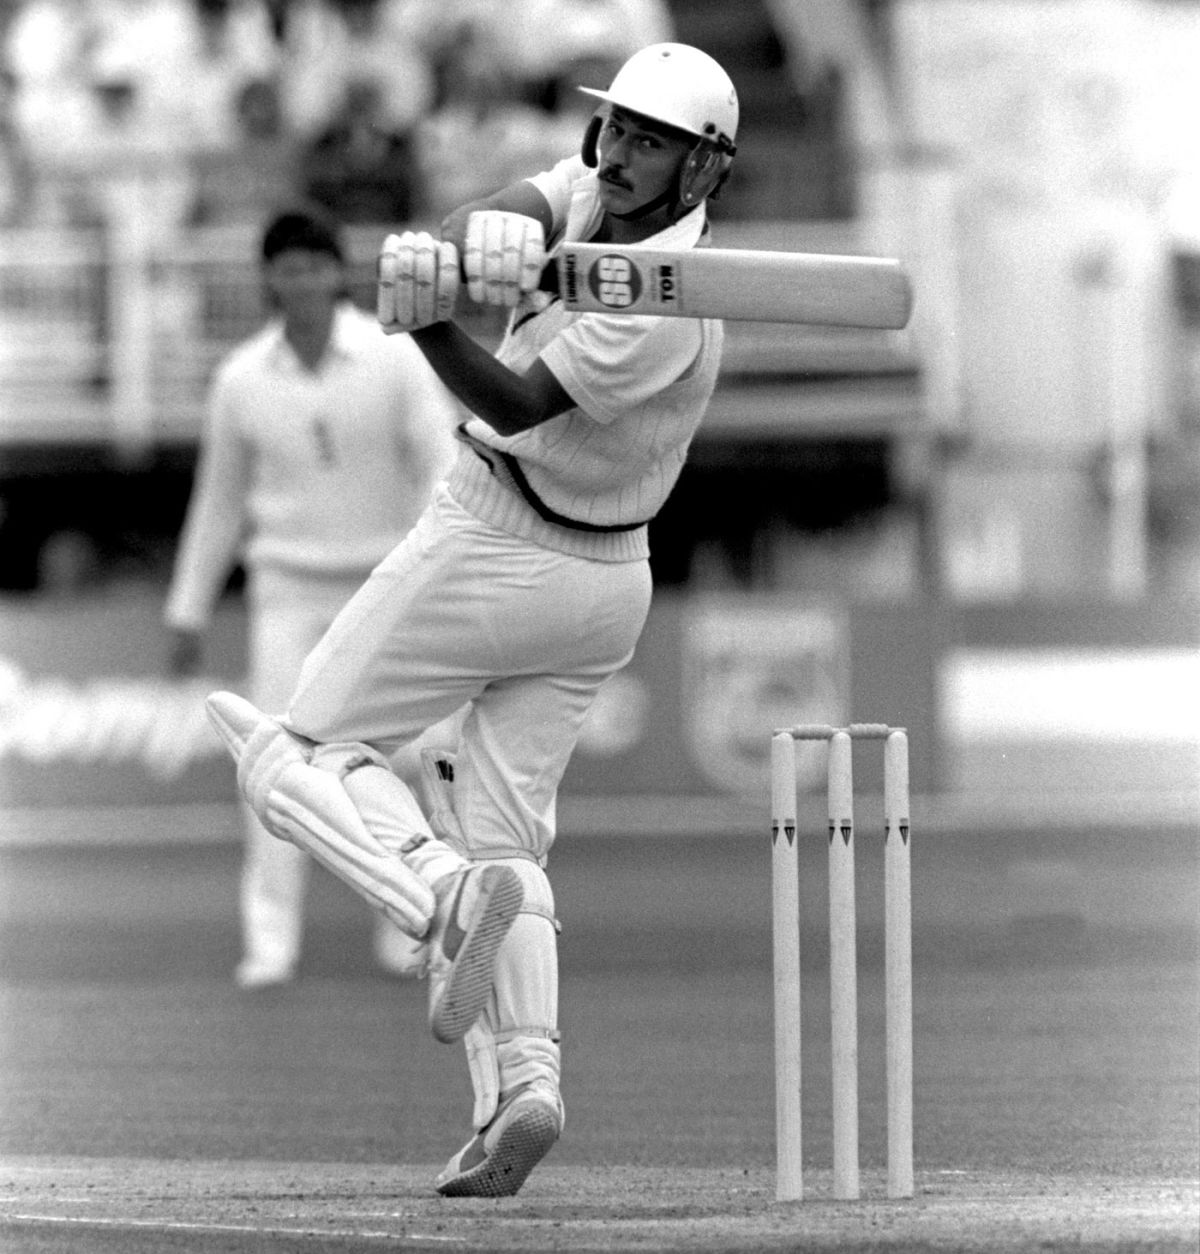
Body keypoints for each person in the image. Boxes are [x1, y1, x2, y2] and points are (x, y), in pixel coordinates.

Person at [205, 42, 738, 1194]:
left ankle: (433, 897)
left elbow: (517, 400)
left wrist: (424, 320)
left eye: (650, 141)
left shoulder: (675, 311)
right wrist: (458, 246)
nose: (620, 151)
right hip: (607, 586)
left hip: (503, 535)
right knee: (506, 845)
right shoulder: (597, 187)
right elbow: (501, 212)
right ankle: (524, 1093)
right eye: (616, 127)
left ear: (701, 170)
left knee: (290, 757)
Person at [165, 206, 460, 989]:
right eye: (287, 268)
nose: (301, 281)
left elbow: (441, 465)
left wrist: (441, 570)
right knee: (274, 768)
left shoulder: (394, 355)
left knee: (400, 757)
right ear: (268, 278)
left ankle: (408, 927)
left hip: (383, 584)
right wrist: (187, 609)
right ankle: (271, 944)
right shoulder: (241, 378)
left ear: (338, 272)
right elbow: (219, 503)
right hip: (287, 589)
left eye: (314, 266)